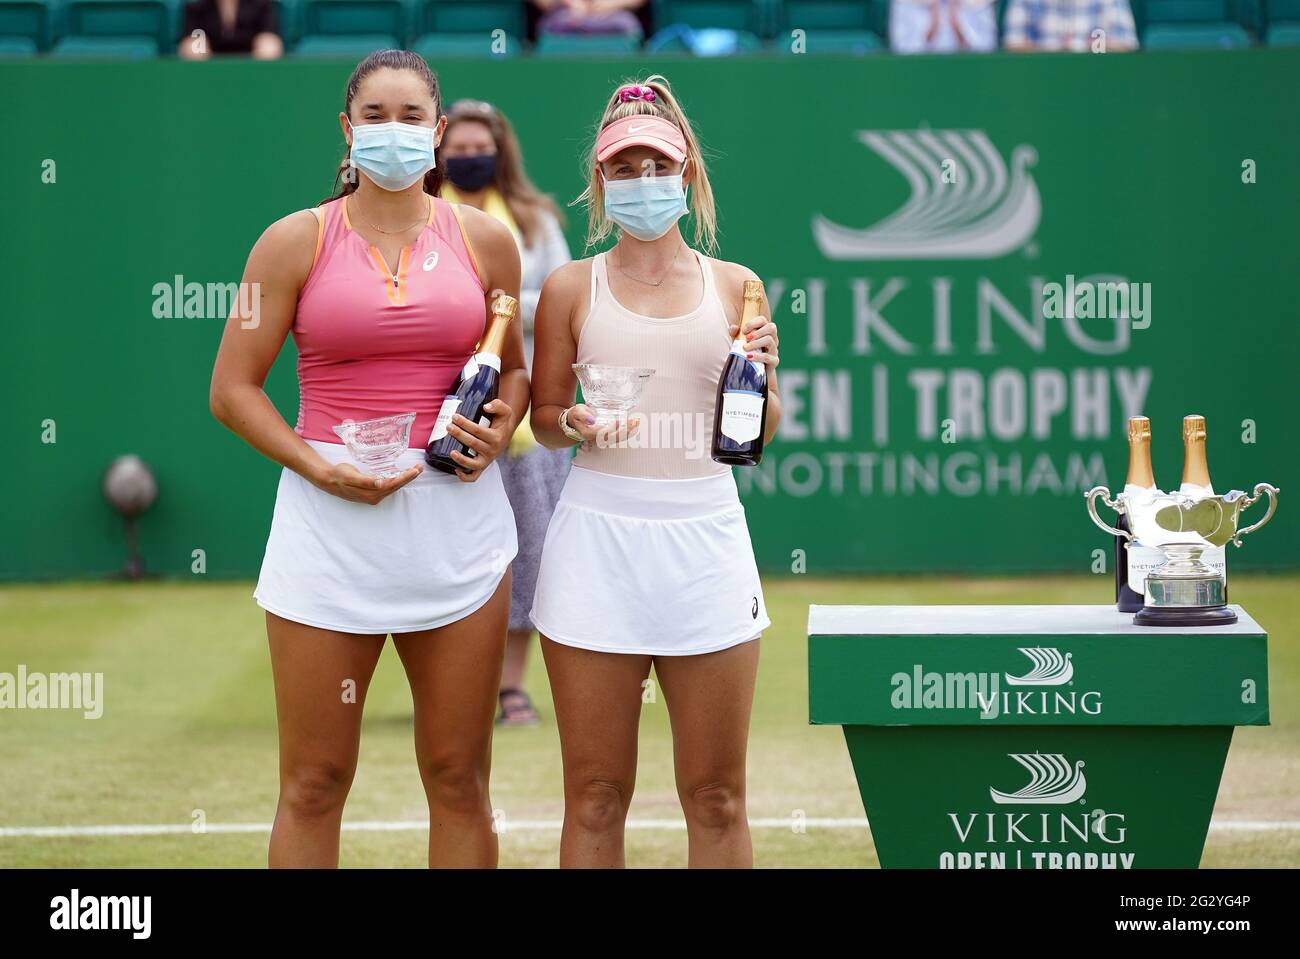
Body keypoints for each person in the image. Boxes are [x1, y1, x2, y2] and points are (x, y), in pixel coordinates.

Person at [208, 50, 525, 868]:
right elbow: (232, 390)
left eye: (411, 116)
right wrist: (318, 468)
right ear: (348, 132)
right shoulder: (290, 241)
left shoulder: (489, 241)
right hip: (327, 527)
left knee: (459, 777)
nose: (394, 131)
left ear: (439, 132)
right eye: (375, 117)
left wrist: (501, 424)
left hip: (458, 529)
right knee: (314, 780)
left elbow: (514, 367)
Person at [528, 77, 781, 868]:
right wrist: (574, 420)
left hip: (706, 537)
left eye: (658, 166)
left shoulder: (737, 284)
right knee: (596, 795)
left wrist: (766, 380)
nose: (644, 182)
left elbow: (762, 433)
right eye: (625, 168)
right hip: (595, 542)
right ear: (601, 180)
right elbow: (541, 419)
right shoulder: (572, 286)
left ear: (688, 174)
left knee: (716, 796)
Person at [439, 99, 574, 728]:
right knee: (441, 555)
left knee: (527, 554)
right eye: (457, 150)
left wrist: (491, 303)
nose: (469, 160)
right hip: (437, 409)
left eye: (479, 149)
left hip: (516, 419)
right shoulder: (418, 213)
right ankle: (448, 688)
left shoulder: (533, 218)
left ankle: (510, 688)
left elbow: (560, 297)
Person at [1002, 0, 1138, 51]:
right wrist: (1056, 51)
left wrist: (1089, 49)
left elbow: (1126, 46)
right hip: (1038, 82)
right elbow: (1013, 46)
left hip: (1097, 80)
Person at [178, 0, 283, 59]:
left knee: (270, 47)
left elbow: (269, 39)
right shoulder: (197, 6)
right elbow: (193, 41)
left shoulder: (261, 5)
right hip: (210, 72)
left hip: (251, 70)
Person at [890, 0, 998, 53]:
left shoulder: (980, 3)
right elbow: (902, 50)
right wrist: (931, 29)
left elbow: (987, 49)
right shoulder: (904, 3)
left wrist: (957, 28)